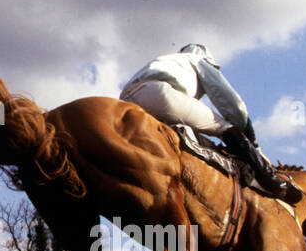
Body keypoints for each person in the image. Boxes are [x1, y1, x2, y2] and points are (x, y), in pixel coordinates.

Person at [120, 43, 295, 201]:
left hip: (125, 99)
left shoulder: (168, 60)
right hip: (158, 94)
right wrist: (251, 141)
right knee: (226, 127)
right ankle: (271, 180)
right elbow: (232, 103)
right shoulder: (199, 61)